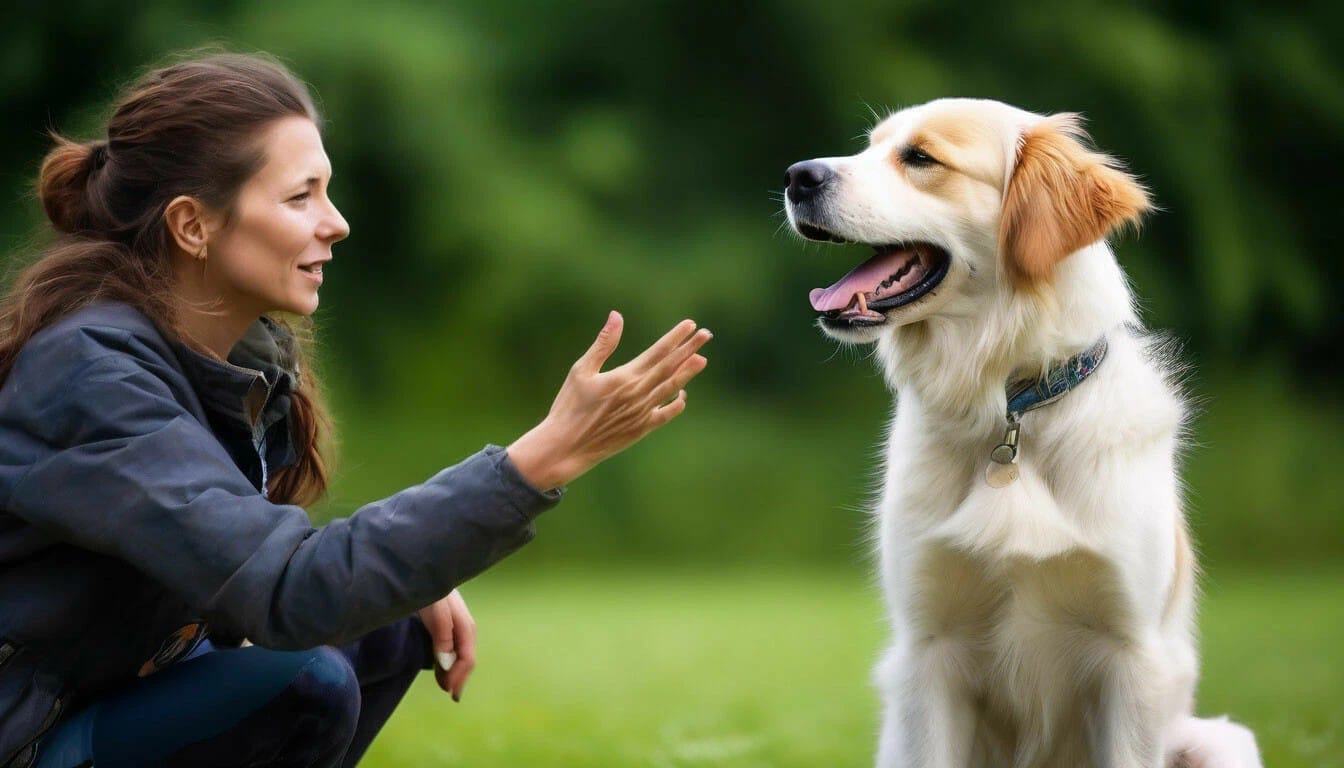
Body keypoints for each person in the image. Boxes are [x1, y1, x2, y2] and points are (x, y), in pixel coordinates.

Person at [0, 51, 711, 768]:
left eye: (327, 193)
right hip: (26, 742)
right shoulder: (90, 374)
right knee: (305, 682)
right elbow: (286, 590)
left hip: (100, 701)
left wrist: (409, 580)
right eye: (300, 196)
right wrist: (538, 460)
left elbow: (241, 577)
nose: (335, 223)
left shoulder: (233, 364)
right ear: (193, 225)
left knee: (393, 625)